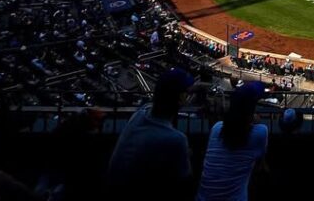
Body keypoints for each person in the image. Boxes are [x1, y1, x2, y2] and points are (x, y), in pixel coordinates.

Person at [106, 68, 194, 200]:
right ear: (179, 98)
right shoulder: (176, 140)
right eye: (186, 92)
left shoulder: (139, 114)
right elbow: (186, 184)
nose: (188, 95)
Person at [196, 82, 269, 201]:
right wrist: (254, 119)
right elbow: (261, 166)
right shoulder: (260, 132)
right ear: (252, 108)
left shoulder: (216, 128)